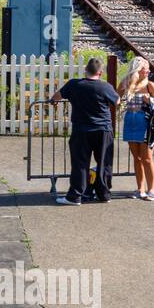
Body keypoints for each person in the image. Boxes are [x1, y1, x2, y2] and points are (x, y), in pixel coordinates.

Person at [50, 58, 119, 205]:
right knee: (104, 162)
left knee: (80, 163)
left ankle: (75, 196)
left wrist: (53, 100)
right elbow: (117, 101)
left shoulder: (74, 84)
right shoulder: (105, 87)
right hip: (103, 129)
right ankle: (104, 194)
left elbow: (57, 96)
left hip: (81, 130)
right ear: (100, 72)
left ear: (85, 70)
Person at [117, 56, 154, 202]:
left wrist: (149, 100)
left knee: (147, 158)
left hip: (146, 125)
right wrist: (118, 102)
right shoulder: (126, 82)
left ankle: (151, 190)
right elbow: (116, 97)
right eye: (146, 68)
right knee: (137, 158)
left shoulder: (150, 85)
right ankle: (140, 189)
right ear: (138, 70)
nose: (148, 71)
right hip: (131, 122)